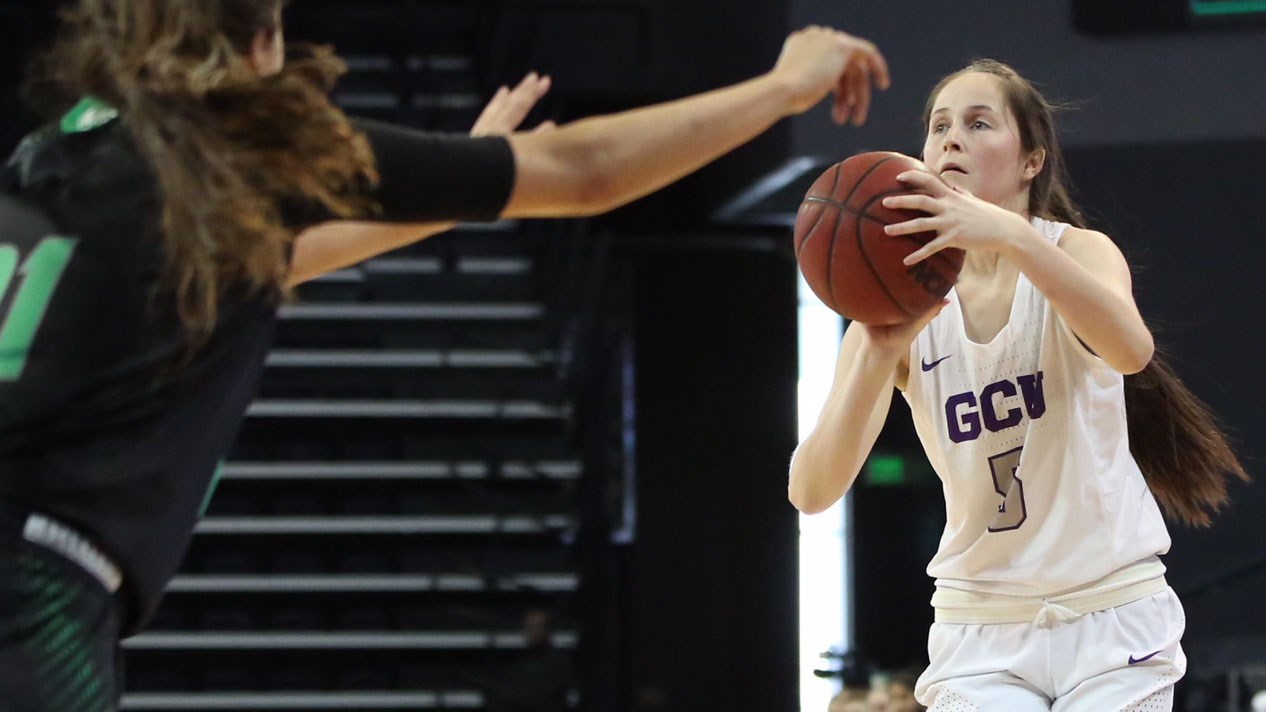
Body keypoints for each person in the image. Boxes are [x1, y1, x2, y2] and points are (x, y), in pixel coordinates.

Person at [0, 1, 891, 709]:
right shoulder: (228, 148)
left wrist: (470, 174)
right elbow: (584, 173)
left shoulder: (51, 159)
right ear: (263, 44)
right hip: (35, 589)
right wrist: (780, 86)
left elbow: (291, 252)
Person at [789, 59, 1247, 712]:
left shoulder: (1080, 254)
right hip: (982, 627)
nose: (952, 139)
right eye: (939, 126)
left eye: (979, 123)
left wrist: (1012, 237)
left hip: (1109, 613)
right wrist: (874, 353)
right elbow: (811, 490)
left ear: (1031, 162)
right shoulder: (895, 304)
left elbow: (1130, 349)